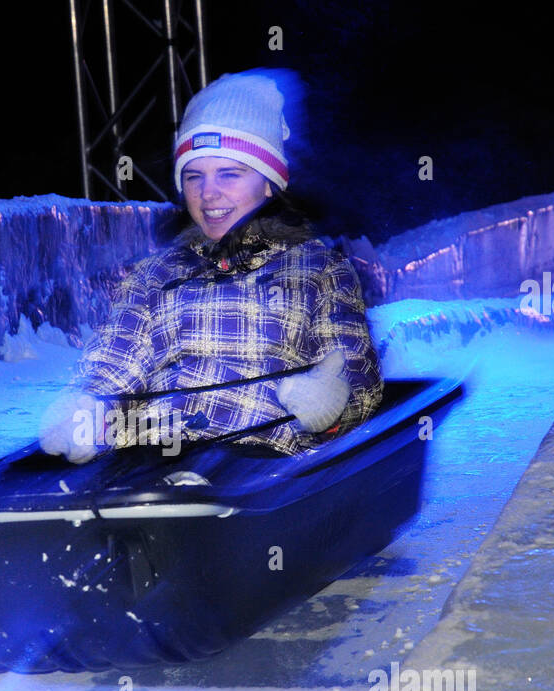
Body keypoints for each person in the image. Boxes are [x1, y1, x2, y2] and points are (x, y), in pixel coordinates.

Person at [40, 69, 383, 463]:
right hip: (155, 463)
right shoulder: (156, 276)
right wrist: (85, 406)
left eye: (229, 174)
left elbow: (360, 379)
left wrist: (332, 400)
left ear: (270, 183)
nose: (208, 193)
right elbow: (115, 362)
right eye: (193, 177)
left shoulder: (317, 271)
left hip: (262, 466)